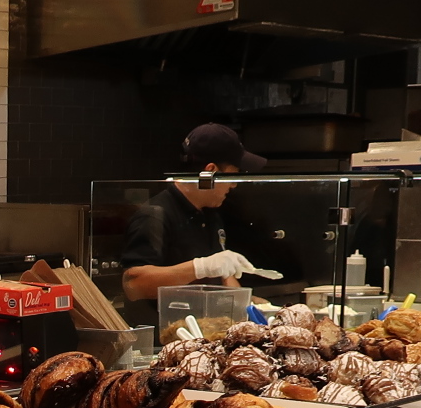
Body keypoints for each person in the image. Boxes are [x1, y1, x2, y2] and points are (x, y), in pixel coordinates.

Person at [118, 122, 301, 304]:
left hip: (206, 326)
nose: (234, 185)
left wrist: (247, 304)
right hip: (168, 329)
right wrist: (201, 267)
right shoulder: (155, 215)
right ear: (211, 171)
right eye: (233, 175)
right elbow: (134, 284)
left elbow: (224, 276)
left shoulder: (211, 212)